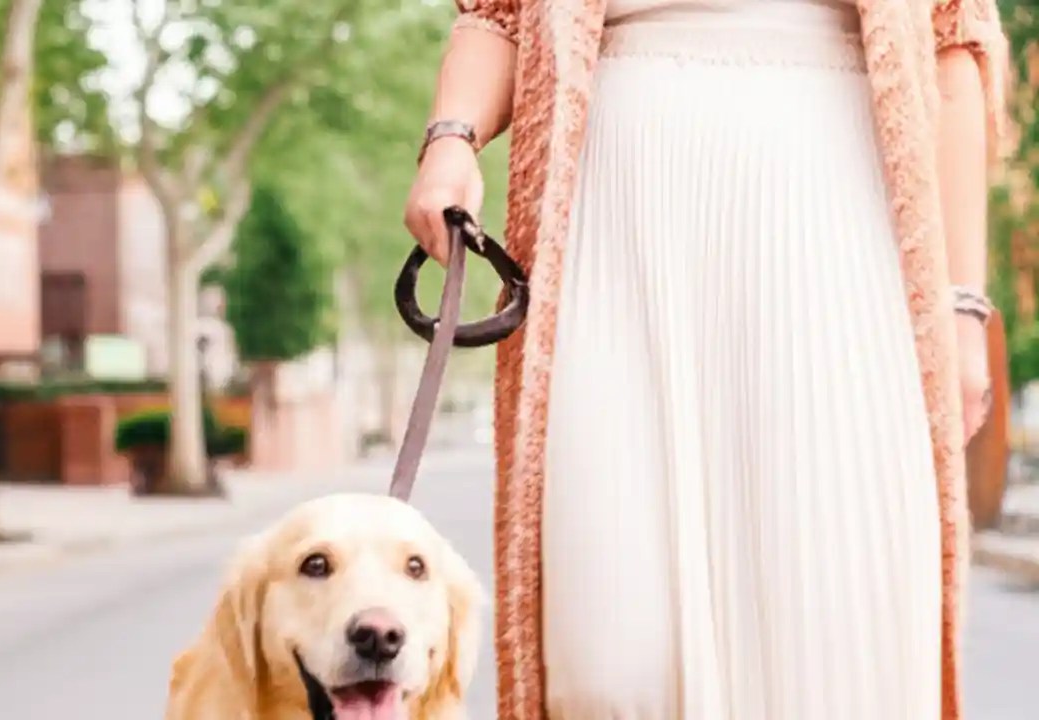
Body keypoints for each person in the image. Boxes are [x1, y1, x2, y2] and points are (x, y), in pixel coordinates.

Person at [404, 0, 1009, 718]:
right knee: (607, 661)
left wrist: (963, 304)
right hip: (608, 216)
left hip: (844, 207)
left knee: (834, 633)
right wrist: (451, 138)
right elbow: (498, 14)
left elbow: (952, 38)